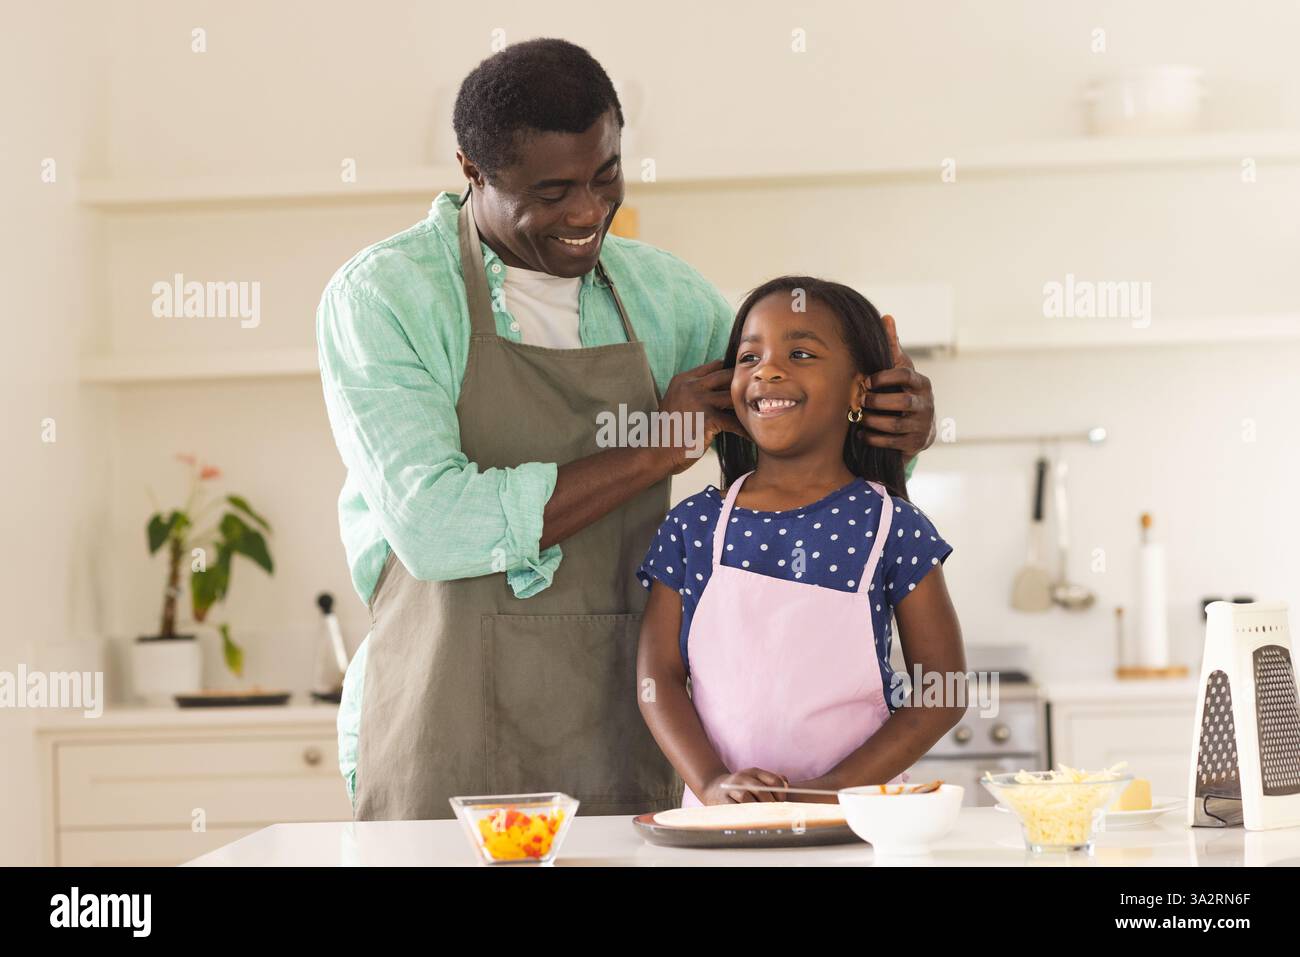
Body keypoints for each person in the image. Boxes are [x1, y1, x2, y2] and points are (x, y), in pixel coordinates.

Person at [318, 39, 937, 821]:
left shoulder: (669, 297)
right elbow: (435, 527)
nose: (586, 212)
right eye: (550, 190)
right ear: (472, 169)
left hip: (626, 719)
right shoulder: (385, 299)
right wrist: (655, 448)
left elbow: (788, 440)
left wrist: (892, 425)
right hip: (446, 716)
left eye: (603, 174)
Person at [635, 277, 964, 806]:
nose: (768, 368)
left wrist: (831, 791)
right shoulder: (693, 526)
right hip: (723, 823)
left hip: (856, 821)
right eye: (749, 357)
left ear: (859, 390)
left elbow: (942, 694)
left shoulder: (894, 528)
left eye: (802, 352)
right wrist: (712, 781)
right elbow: (659, 678)